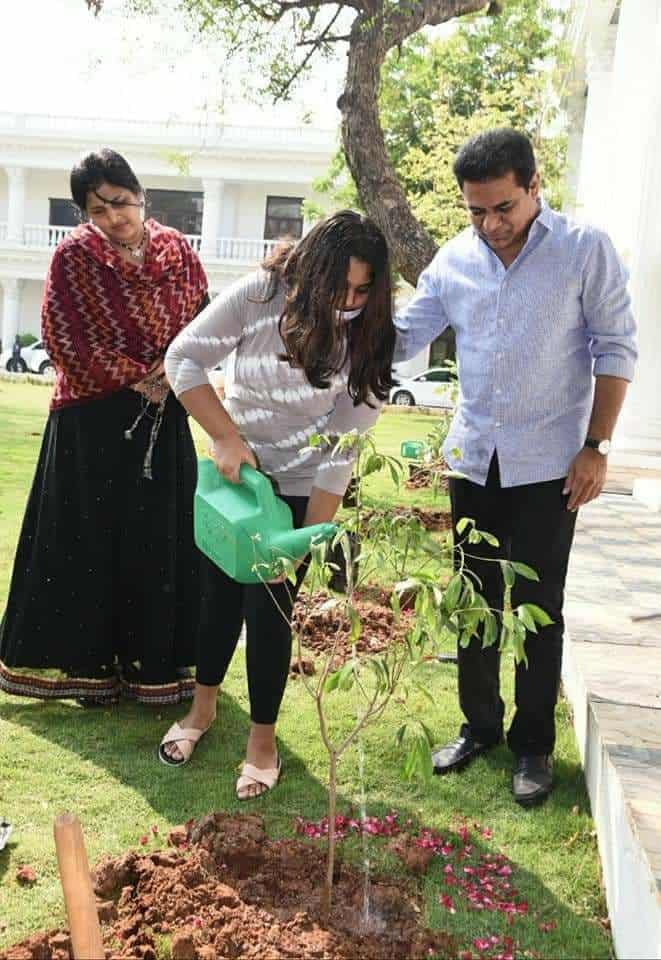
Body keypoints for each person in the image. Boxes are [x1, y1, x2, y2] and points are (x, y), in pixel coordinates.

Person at [395, 128, 637, 806]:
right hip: (473, 460)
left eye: (502, 207)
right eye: (475, 210)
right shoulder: (453, 259)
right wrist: (334, 303)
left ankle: (532, 746)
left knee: (537, 608)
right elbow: (403, 337)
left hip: (548, 466)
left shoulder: (583, 251)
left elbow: (614, 350)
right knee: (474, 605)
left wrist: (596, 447)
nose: (489, 224)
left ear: (534, 187)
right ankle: (478, 726)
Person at [158, 210, 395, 798]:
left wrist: (305, 543)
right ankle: (202, 710)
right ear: (309, 272)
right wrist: (226, 436)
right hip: (236, 481)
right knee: (215, 599)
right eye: (340, 287)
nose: (350, 301)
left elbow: (341, 451)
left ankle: (262, 740)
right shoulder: (261, 295)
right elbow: (183, 359)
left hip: (298, 487)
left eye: (364, 289)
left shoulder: (369, 337)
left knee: (270, 610)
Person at [0, 149, 208, 705]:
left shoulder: (178, 253)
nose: (114, 216)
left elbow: (202, 321)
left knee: (162, 538)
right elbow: (62, 335)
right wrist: (136, 377)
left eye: (119, 201)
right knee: (91, 543)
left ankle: (157, 670)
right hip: (91, 421)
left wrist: (174, 367)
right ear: (84, 214)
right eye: (98, 209)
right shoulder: (73, 258)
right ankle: (90, 671)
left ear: (140, 194)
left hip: (166, 413)